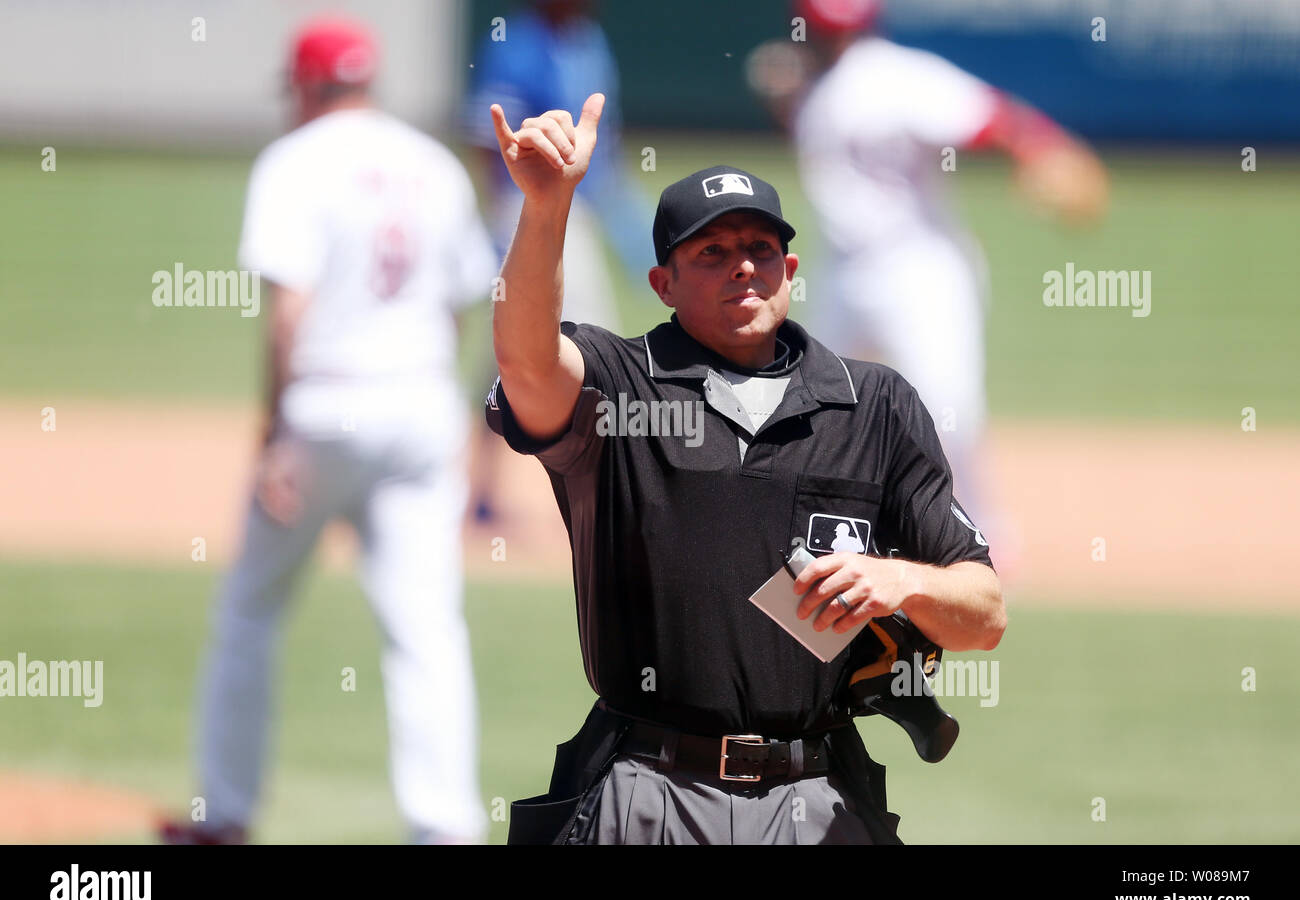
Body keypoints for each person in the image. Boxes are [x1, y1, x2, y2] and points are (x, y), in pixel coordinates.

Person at [484, 92, 1007, 845]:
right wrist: (546, 207)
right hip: (649, 789)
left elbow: (985, 614)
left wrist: (906, 580)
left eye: (761, 250)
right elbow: (526, 360)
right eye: (712, 253)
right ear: (663, 284)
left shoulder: (874, 404)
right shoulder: (621, 386)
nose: (744, 270)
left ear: (790, 268)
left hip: (819, 795)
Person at [160, 17, 495, 845]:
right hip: (419, 405)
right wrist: (440, 407)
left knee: (250, 613)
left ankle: (227, 812)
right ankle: (446, 826)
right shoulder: (431, 163)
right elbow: (461, 305)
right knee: (426, 630)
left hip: (325, 407)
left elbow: (289, 315)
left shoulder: (295, 161)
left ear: (309, 86)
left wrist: (272, 435)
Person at [750, 0, 1108, 537]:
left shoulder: (897, 76)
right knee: (810, 402)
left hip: (918, 270)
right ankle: (803, 525)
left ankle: (980, 536)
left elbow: (989, 116)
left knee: (947, 406)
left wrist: (1040, 148)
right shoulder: (812, 85)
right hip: (843, 274)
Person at [461, 0, 652, 521]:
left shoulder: (587, 41)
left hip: (580, 218)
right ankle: (485, 492)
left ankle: (601, 492)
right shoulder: (514, 45)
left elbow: (604, 154)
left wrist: (631, 229)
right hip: (525, 211)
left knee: (589, 352)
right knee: (521, 355)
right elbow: (487, 140)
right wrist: (503, 225)